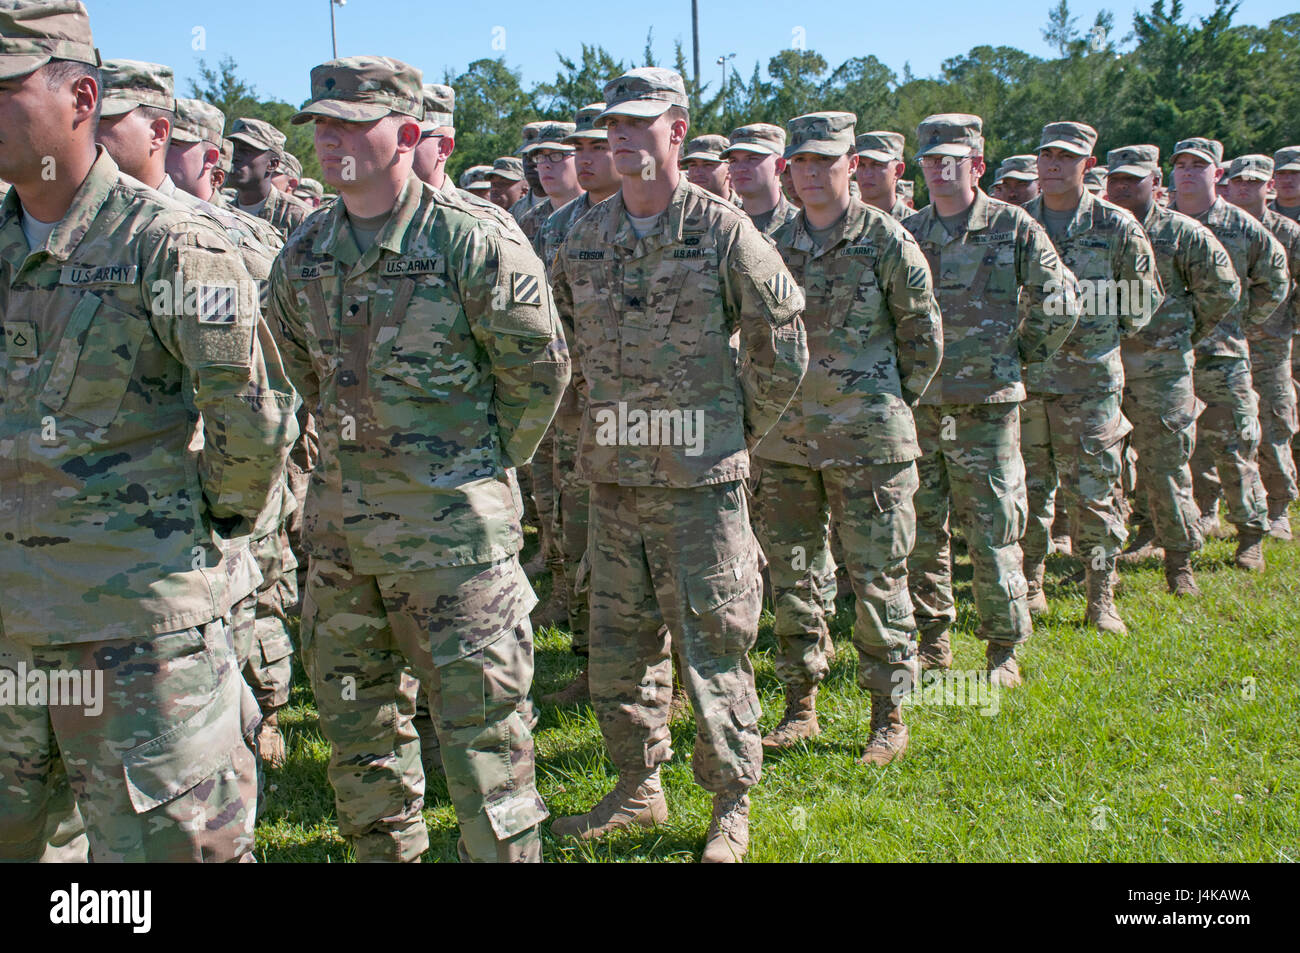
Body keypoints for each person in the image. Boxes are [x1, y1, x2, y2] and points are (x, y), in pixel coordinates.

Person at [0, 0, 297, 862]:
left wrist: (184, 532)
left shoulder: (168, 242)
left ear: (81, 97)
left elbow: (252, 414)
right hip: (16, 628)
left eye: (5, 89)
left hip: (141, 636)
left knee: (171, 853)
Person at [267, 55, 569, 862]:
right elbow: (297, 367)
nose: (329, 143)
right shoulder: (304, 252)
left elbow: (538, 372)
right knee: (362, 749)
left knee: (488, 753)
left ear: (405, 134)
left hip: (457, 549)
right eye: (321, 128)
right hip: (342, 549)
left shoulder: (469, 240)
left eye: (348, 127)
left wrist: (473, 467)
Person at [548, 67, 808, 862]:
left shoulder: (722, 229)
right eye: (612, 126)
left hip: (701, 490)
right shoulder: (581, 236)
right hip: (616, 483)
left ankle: (731, 805)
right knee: (619, 649)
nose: (622, 138)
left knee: (716, 645)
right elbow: (561, 349)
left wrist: (733, 429)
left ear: (677, 132)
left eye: (639, 124)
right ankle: (636, 788)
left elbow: (785, 340)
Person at [96, 60, 301, 763]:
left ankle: (259, 713)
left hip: (218, 479)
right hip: (108, 523)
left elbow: (278, 365)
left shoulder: (230, 239)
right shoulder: (69, 231)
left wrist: (234, 494)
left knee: (253, 594)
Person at [755, 111, 941, 762]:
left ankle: (888, 716)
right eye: (800, 163)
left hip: (869, 441)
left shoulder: (886, 241)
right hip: (785, 442)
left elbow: (923, 338)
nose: (811, 174)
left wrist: (881, 403)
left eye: (824, 162)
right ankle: (799, 702)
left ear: (852, 164)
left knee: (878, 575)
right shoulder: (772, 243)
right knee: (794, 574)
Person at [902, 113, 1078, 684]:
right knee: (921, 527)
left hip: (988, 407)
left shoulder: (1013, 226)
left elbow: (1061, 299)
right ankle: (932, 641)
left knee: (994, 526)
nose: (938, 169)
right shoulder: (909, 231)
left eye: (950, 159)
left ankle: (1002, 648)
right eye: (929, 160)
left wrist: (1017, 355)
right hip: (923, 405)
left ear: (977, 165)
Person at [1020, 122, 1162, 634]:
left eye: (1067, 155)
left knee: (1095, 494)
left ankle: (1101, 597)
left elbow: (1142, 304)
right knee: (1026, 491)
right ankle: (1029, 584)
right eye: (1047, 154)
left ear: (1088, 162)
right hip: (1027, 382)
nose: (1054, 163)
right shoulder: (1015, 224)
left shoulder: (1117, 226)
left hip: (1091, 384)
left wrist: (1089, 326)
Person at [1106, 145, 1239, 595]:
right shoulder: (1097, 230)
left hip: (1162, 372)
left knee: (1166, 468)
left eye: (1133, 180)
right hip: (1100, 370)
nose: (1123, 187)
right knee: (1105, 471)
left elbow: (1222, 290)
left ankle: (1179, 563)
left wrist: (1180, 332)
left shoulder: (1182, 233)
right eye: (1117, 179)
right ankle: (1110, 557)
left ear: (1154, 182)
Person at [532, 103, 623, 706]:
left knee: (637, 551)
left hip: (650, 418)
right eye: (579, 149)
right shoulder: (558, 226)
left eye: (596, 148)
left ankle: (654, 676)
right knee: (579, 532)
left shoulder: (663, 218)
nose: (586, 159)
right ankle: (592, 662)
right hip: (577, 413)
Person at [1172, 137, 1288, 569]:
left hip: (1222, 356)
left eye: (1198, 166)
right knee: (1178, 448)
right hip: (1168, 357)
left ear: (1216, 174)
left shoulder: (1240, 227)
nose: (1187, 172)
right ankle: (1194, 518)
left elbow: (1275, 280)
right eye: (1180, 164)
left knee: (1236, 445)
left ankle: (1250, 534)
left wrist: (1239, 324)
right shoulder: (1156, 224)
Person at [1225, 153, 1300, 538]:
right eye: (1239, 181)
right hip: (1224, 345)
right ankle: (1214, 507)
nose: (1245, 187)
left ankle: (1279, 507)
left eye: (1254, 182)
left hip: (1272, 344)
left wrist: (1289, 327)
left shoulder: (1287, 232)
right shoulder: (1219, 228)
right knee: (1225, 429)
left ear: (1268, 187)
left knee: (1274, 426)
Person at [228, 115, 312, 239]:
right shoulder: (224, 211)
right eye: (233, 150)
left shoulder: (300, 218)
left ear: (272, 164)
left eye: (245, 151)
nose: (235, 157)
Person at [723, 123, 798, 236]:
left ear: (779, 166)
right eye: (734, 161)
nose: (739, 169)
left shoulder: (800, 225)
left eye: (752, 159)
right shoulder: (722, 224)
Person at [853, 131, 910, 219]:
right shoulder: (842, 223)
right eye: (861, 165)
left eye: (877, 165)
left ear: (898, 170)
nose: (867, 174)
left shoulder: (917, 224)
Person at [680, 133, 735, 201]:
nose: (697, 172)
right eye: (693, 165)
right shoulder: (680, 209)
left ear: (729, 169)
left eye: (707, 164)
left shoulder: (746, 208)